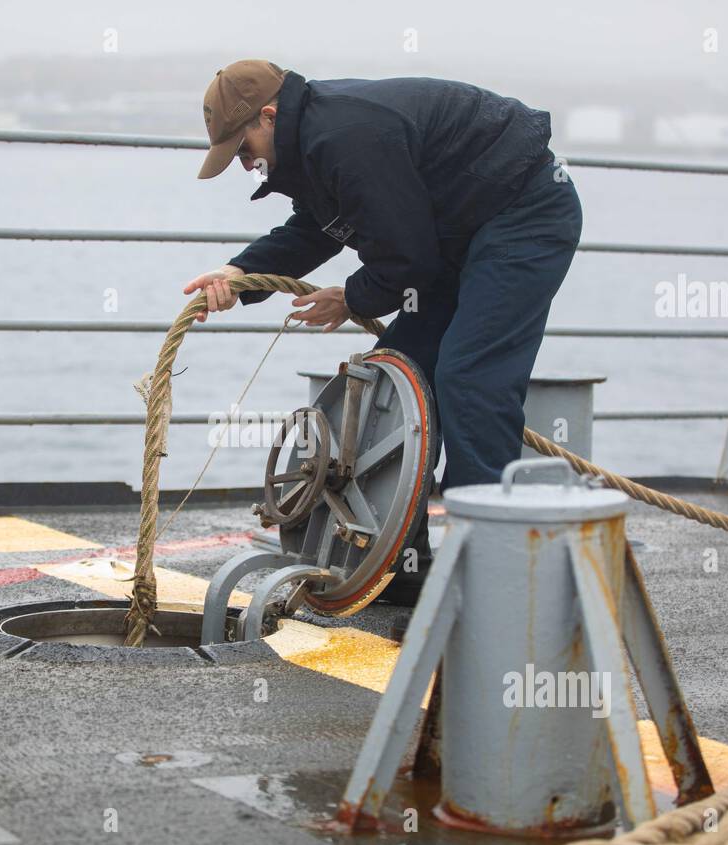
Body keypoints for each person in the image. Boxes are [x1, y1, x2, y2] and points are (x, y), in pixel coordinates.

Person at [186, 59, 583, 601]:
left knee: (470, 377)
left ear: (270, 115)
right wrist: (241, 274)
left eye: (242, 148)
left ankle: (489, 579)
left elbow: (408, 258)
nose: (244, 163)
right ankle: (401, 565)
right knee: (398, 374)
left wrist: (353, 297)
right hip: (455, 234)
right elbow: (317, 227)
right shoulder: (313, 141)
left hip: (522, 212)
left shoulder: (347, 135)